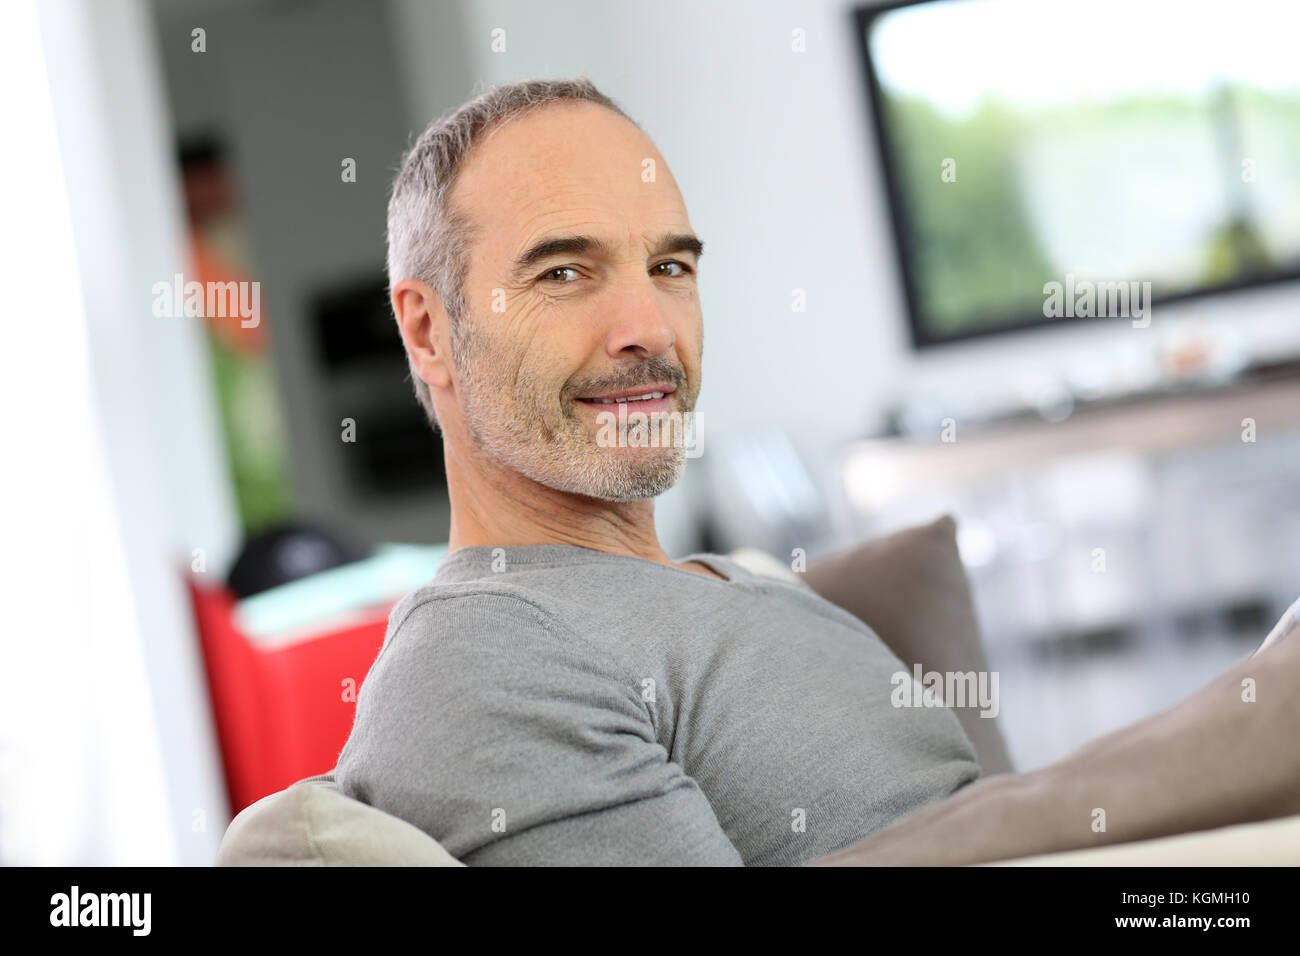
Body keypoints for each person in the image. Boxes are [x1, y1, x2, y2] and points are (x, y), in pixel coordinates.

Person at [334, 77, 1300, 866]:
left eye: (670, 268)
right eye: (564, 274)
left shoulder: (743, 588)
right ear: (428, 330)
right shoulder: (482, 658)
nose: (649, 332)